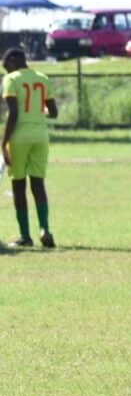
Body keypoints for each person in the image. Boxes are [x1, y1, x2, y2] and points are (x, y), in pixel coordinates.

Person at [2, 47, 58, 248]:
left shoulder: (11, 79)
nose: (6, 71)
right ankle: (44, 229)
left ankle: (25, 236)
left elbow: (14, 113)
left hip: (19, 137)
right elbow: (53, 112)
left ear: (14, 61)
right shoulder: (43, 78)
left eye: (6, 66)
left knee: (18, 186)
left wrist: (3, 142)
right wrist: (37, 109)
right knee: (38, 184)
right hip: (41, 137)